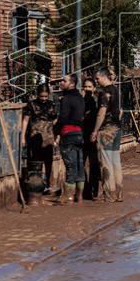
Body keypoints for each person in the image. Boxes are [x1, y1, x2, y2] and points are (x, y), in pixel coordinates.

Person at [93, 68, 124, 202]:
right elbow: (121, 111)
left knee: (106, 162)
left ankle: (110, 194)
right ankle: (119, 193)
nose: (96, 81)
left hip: (106, 129)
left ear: (104, 77)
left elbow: (101, 113)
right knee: (116, 161)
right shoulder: (117, 90)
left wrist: (95, 130)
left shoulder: (104, 92)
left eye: (97, 78)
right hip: (117, 129)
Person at [54, 74, 86, 203]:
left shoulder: (66, 99)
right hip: (79, 134)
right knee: (79, 164)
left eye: (64, 81)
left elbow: (63, 118)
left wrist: (55, 130)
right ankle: (79, 195)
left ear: (72, 84)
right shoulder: (80, 98)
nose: (61, 82)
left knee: (70, 165)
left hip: (68, 134)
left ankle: (68, 196)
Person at [21, 84, 58, 193]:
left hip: (48, 138)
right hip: (34, 137)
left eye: (46, 96)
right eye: (41, 96)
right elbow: (25, 120)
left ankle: (47, 185)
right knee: (35, 161)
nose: (43, 99)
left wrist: (55, 137)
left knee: (48, 162)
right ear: (37, 94)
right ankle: (35, 185)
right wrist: (23, 137)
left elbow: (55, 120)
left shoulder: (52, 104)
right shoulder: (31, 104)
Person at [82, 77, 101, 200]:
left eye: (89, 87)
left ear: (94, 88)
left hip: (93, 135)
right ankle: (85, 189)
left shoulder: (97, 101)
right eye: (85, 86)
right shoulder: (81, 101)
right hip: (83, 135)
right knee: (82, 162)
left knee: (94, 163)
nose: (87, 89)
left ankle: (94, 189)